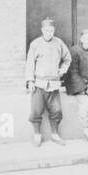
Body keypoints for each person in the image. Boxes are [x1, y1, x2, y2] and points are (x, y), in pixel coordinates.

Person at [24, 17, 72, 147]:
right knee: (36, 111)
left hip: (54, 84)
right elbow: (29, 63)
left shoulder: (59, 43)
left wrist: (62, 70)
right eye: (46, 30)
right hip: (39, 84)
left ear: (54, 30)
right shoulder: (35, 44)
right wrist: (30, 81)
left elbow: (67, 59)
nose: (49, 33)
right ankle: (37, 135)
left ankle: (55, 134)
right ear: (42, 30)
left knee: (56, 110)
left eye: (51, 30)